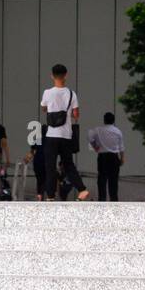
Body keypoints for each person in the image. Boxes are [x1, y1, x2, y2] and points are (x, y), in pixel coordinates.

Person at [40, 64, 90, 201]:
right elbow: (76, 114)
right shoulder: (72, 93)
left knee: (50, 165)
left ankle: (50, 196)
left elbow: (43, 108)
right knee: (68, 164)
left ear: (52, 76)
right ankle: (82, 189)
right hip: (66, 135)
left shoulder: (47, 92)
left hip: (51, 135)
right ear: (66, 75)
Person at [89, 112, 125, 201]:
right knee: (113, 180)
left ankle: (102, 199)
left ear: (104, 120)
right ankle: (114, 199)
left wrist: (96, 147)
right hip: (114, 157)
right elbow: (121, 147)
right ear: (113, 121)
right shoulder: (118, 131)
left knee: (102, 179)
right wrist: (122, 158)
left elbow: (90, 137)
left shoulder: (98, 130)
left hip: (102, 157)